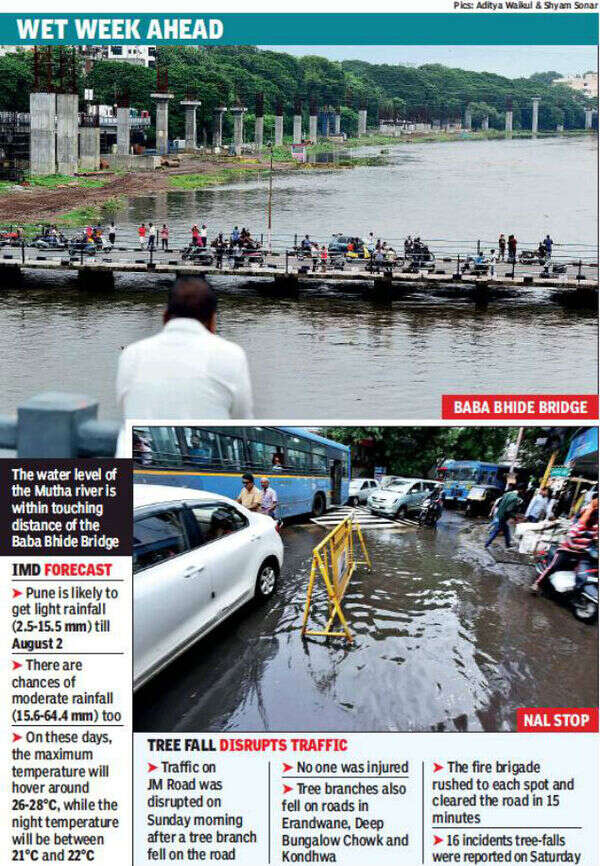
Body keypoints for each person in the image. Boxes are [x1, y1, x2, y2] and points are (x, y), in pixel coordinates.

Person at [115, 276, 253, 453]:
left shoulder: (131, 354)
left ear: (165, 317)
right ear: (213, 322)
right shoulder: (232, 355)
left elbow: (125, 407)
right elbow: (241, 420)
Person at [531, 498, 598, 592]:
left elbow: (594, 538)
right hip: (567, 550)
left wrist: (592, 544)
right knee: (553, 566)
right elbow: (569, 536)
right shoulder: (579, 525)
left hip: (581, 553)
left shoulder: (595, 528)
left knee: (584, 571)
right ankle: (537, 583)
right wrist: (573, 546)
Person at [484, 483, 523, 550]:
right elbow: (508, 510)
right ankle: (487, 544)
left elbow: (501, 504)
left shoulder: (507, 494)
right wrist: (514, 517)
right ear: (521, 490)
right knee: (496, 531)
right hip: (503, 517)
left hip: (499, 515)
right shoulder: (515, 498)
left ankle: (507, 545)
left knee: (506, 531)